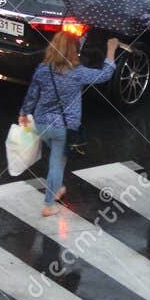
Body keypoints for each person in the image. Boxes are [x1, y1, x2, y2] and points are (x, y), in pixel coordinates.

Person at [19, 32, 119, 217]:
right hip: (64, 127)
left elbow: (32, 95)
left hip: (41, 124)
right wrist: (111, 50)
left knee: (55, 158)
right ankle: (49, 204)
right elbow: (105, 74)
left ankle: (56, 188)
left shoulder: (43, 69)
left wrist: (24, 113)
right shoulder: (78, 73)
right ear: (74, 51)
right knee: (57, 163)